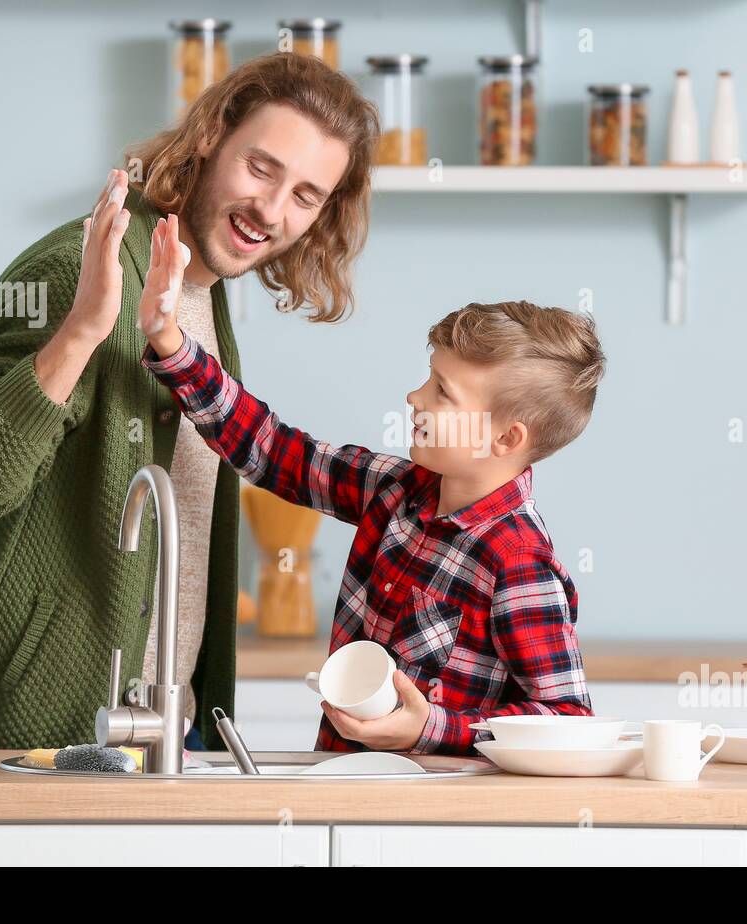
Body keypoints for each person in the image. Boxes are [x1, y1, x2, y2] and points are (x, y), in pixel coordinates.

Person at [0, 54, 378, 760]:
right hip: (44, 739)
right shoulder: (79, 266)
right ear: (210, 133)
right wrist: (80, 334)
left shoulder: (202, 291)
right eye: (262, 168)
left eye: (307, 194)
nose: (273, 211)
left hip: (170, 732)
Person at [138, 225, 605, 755]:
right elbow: (273, 451)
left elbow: (569, 722)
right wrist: (170, 341)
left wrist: (432, 728)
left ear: (506, 437)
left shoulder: (517, 561)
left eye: (442, 392)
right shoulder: (393, 489)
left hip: (430, 820)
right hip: (346, 783)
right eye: (428, 378)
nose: (414, 396)